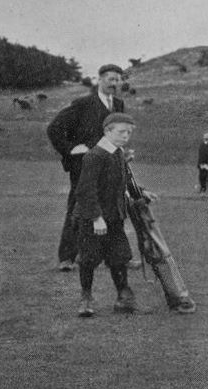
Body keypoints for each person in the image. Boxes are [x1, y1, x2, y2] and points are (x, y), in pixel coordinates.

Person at [47, 64, 125, 272]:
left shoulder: (118, 104)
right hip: (83, 166)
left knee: (110, 206)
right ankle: (67, 257)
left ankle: (112, 256)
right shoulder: (83, 104)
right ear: (100, 80)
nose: (114, 83)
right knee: (77, 207)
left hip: (109, 165)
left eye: (118, 79)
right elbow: (54, 128)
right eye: (110, 78)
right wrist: (70, 149)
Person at [74, 113, 140, 317]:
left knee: (118, 257)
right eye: (121, 132)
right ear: (107, 131)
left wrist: (141, 192)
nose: (126, 136)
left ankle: (123, 296)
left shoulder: (118, 153)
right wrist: (96, 218)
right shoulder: (95, 156)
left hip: (115, 217)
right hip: (93, 219)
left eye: (129, 132)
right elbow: (85, 190)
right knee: (88, 258)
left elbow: (122, 181)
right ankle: (86, 298)